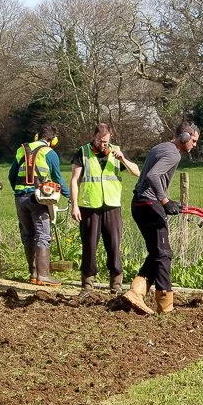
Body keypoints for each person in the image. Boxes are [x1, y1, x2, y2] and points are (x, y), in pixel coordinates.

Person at [123, 121, 200, 314]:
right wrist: (164, 201)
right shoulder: (174, 153)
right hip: (149, 204)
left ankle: (136, 291)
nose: (195, 144)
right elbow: (153, 175)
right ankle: (165, 305)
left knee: (157, 252)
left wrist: (168, 201)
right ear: (184, 137)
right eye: (193, 140)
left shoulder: (160, 147)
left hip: (139, 203)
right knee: (164, 253)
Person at [69, 123, 140, 294]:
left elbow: (137, 172)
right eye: (100, 141)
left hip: (112, 206)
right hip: (89, 207)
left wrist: (122, 159)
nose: (103, 144)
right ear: (94, 137)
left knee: (114, 246)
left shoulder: (117, 152)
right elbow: (74, 180)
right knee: (89, 246)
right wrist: (75, 205)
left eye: (106, 142)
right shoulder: (83, 152)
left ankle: (116, 285)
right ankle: (87, 285)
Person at [9, 124, 70, 286]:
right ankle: (43, 275)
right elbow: (57, 179)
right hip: (38, 198)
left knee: (28, 235)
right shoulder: (50, 153)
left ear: (37, 136)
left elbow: (11, 175)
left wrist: (19, 191)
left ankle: (33, 273)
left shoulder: (22, 149)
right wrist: (70, 196)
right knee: (42, 235)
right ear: (53, 140)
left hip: (20, 197)